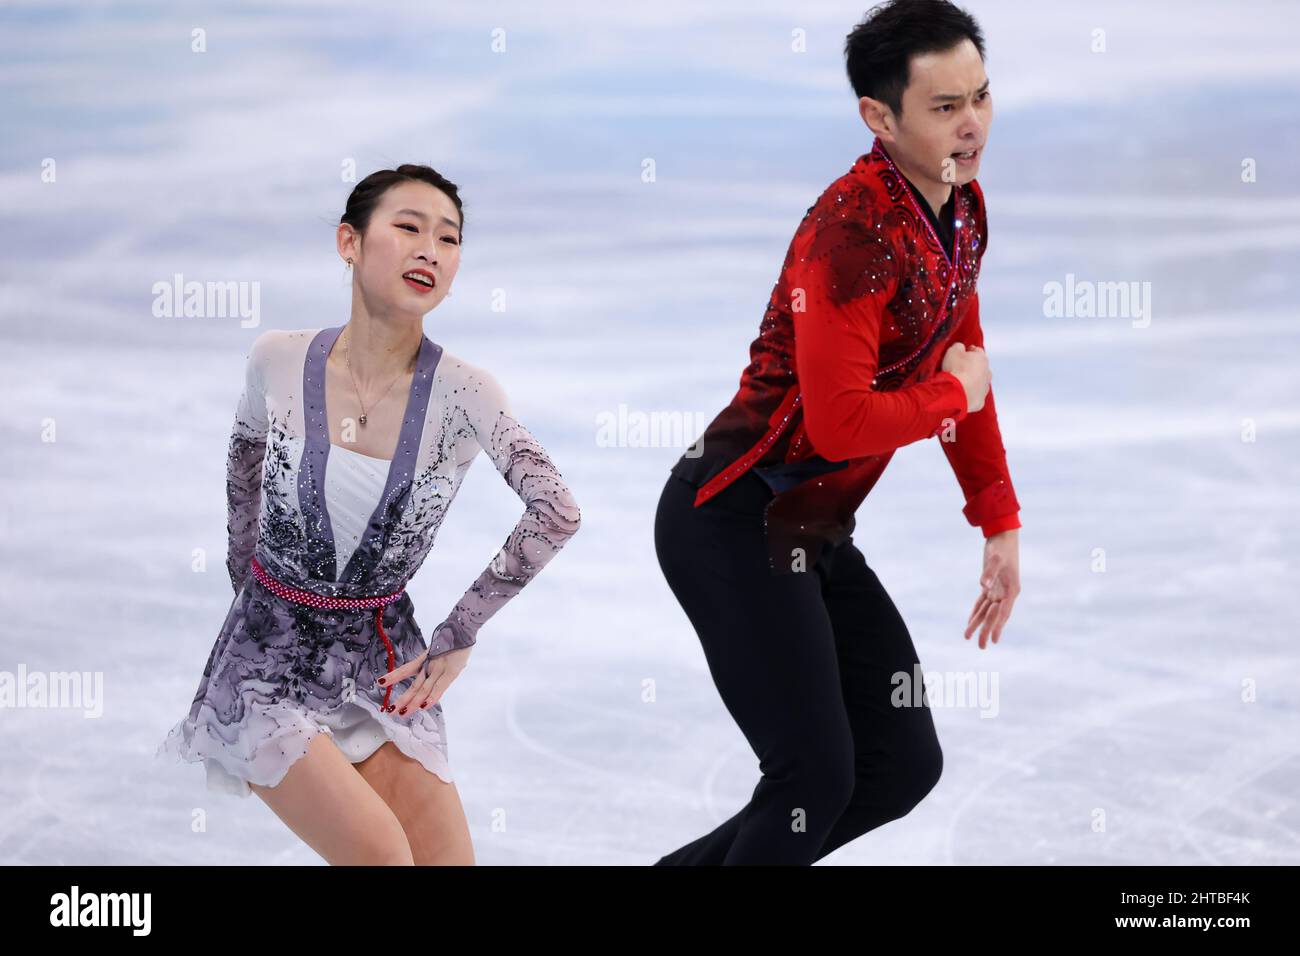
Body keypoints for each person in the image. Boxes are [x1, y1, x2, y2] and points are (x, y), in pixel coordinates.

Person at [654, 0, 1021, 865]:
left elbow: (965, 360)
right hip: (731, 515)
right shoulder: (852, 235)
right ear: (878, 117)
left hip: (808, 526)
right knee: (811, 777)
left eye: (981, 96)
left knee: (897, 764)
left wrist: (997, 516)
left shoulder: (959, 208)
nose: (971, 125)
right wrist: (950, 398)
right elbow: (842, 419)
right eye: (944, 107)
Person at [157, 164, 582, 865]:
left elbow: (556, 510)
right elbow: (243, 471)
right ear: (348, 242)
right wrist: (254, 604)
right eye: (408, 227)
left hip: (382, 662)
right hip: (267, 665)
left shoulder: (466, 395)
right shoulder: (278, 360)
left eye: (448, 239)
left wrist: (459, 630)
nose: (430, 251)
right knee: (382, 854)